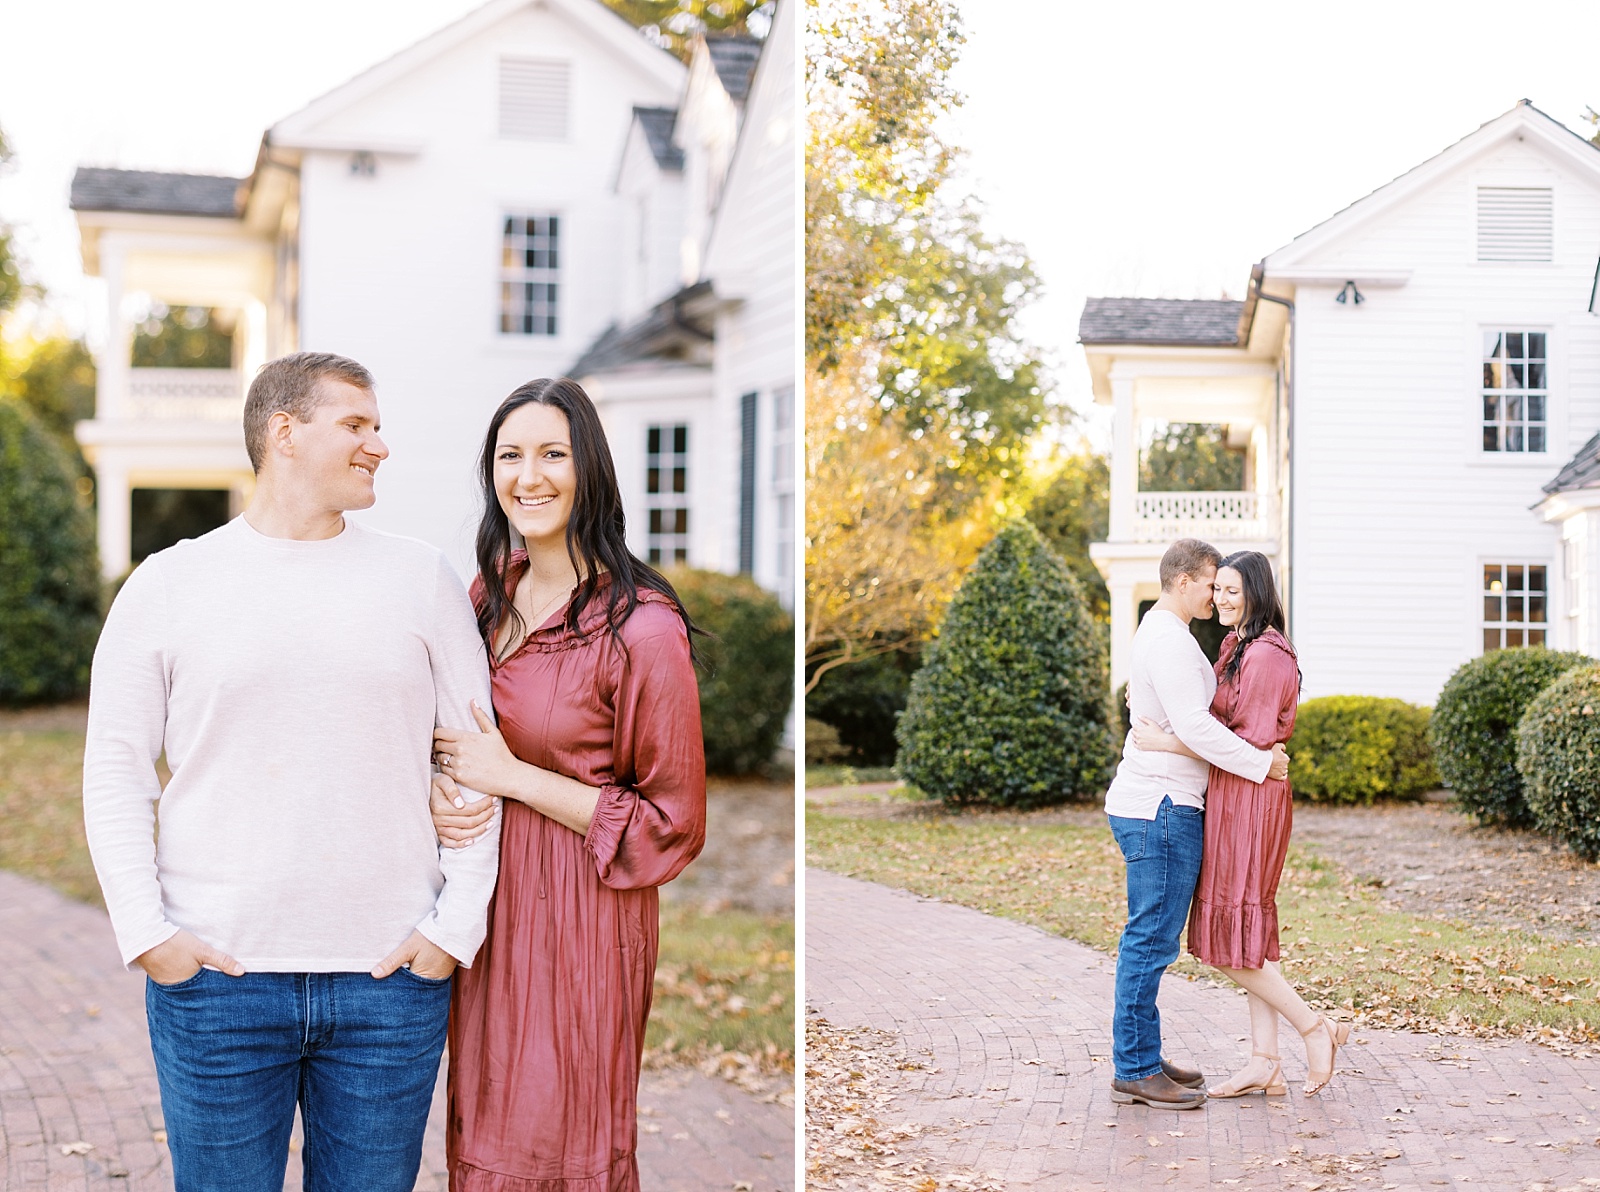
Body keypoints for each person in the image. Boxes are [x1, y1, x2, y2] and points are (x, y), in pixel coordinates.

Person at [82, 351, 503, 1191]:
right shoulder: (168, 586)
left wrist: (454, 931)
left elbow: (474, 756)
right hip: (217, 987)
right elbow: (116, 770)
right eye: (356, 424)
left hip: (389, 987)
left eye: (378, 427)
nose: (379, 444)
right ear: (283, 432)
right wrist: (150, 936)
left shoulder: (421, 581)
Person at [426, 377, 706, 1191]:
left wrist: (515, 779)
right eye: (510, 455)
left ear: (591, 468)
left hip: (583, 913)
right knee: (483, 1135)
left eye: (553, 452)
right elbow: (458, 732)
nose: (529, 475)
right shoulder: (489, 594)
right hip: (485, 900)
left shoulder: (642, 627)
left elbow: (674, 822)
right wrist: (448, 781)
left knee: (559, 1142)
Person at [1132, 549, 1348, 1098]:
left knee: (1230, 936)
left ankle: (1314, 1028)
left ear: (1256, 592)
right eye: (1217, 588)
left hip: (1252, 798)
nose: (1221, 599)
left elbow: (1242, 741)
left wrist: (1164, 737)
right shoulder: (1232, 646)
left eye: (1231, 590)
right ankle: (1264, 1060)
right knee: (1240, 928)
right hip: (1229, 794)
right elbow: (1204, 716)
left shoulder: (1269, 654)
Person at [1103, 538, 1290, 1110]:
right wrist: (1262, 763)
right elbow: (1201, 729)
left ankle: (1141, 1053)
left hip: (1160, 801)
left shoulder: (1165, 636)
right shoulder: (1174, 644)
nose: (1216, 593)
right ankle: (1133, 1068)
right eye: (1211, 582)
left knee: (1152, 940)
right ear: (1184, 582)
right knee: (1150, 942)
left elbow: (1183, 719)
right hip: (1161, 807)